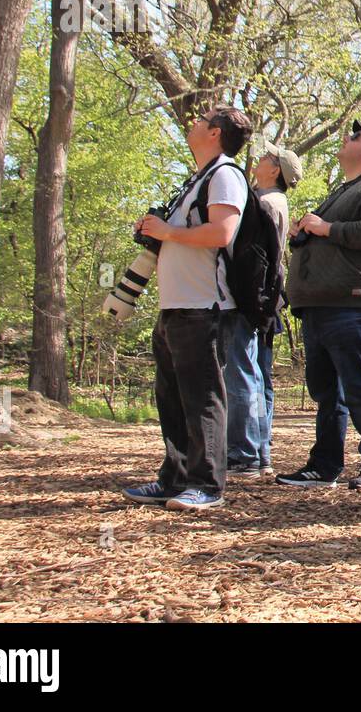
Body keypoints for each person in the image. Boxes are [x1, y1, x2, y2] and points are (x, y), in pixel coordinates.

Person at [123, 105, 253, 511]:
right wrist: (156, 233)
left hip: (204, 305)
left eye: (201, 120)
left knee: (202, 397)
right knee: (173, 397)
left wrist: (169, 231)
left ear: (215, 133)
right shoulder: (196, 180)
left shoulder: (226, 175)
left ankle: (207, 486)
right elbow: (182, 236)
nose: (192, 122)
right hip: (175, 305)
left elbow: (221, 233)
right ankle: (174, 478)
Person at [277, 120, 361, 492]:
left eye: (355, 137)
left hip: (355, 303)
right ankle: (325, 465)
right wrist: (305, 233)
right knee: (326, 391)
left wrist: (325, 229)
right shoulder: (342, 190)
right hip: (318, 304)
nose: (346, 139)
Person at [224, 143, 300, 479]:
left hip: (250, 299)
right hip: (264, 300)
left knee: (243, 372)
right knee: (256, 373)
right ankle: (259, 452)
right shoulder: (269, 200)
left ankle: (245, 454)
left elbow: (252, 256)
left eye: (268, 159)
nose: (261, 160)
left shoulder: (267, 202)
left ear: (276, 171)